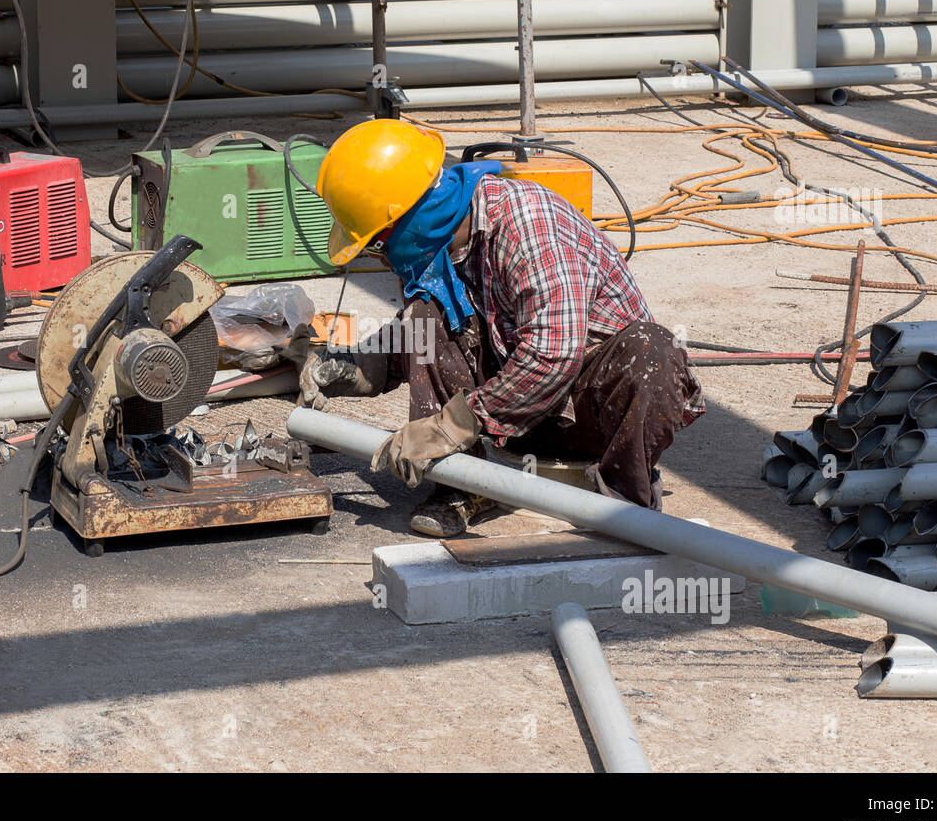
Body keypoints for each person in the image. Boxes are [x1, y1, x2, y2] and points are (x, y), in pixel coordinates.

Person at [297, 119, 705, 537]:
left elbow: (554, 356)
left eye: (376, 243)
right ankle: (464, 484)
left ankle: (624, 503)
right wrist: (357, 365)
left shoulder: (530, 226)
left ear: (405, 218)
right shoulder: (437, 241)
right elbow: (431, 336)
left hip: (591, 411)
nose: (379, 256)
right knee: (424, 311)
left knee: (653, 350)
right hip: (516, 415)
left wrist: (453, 424)